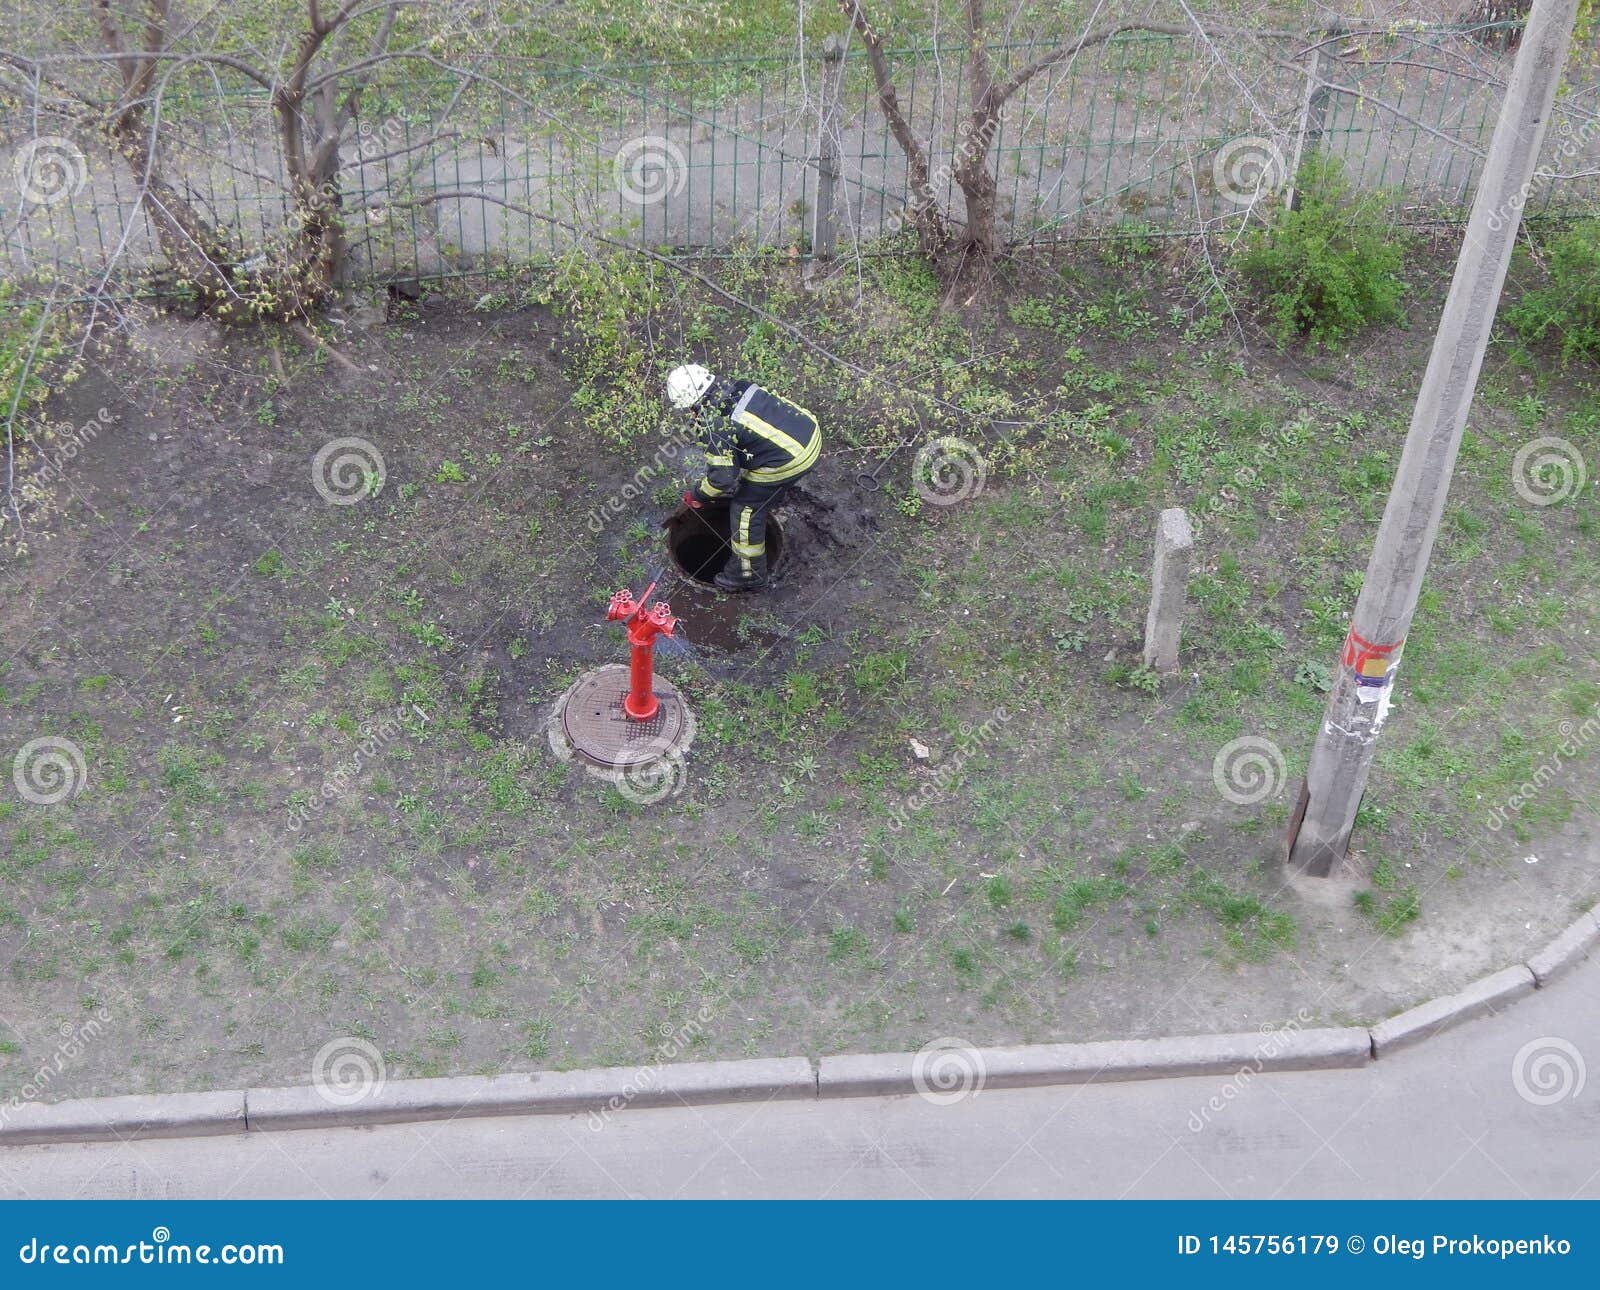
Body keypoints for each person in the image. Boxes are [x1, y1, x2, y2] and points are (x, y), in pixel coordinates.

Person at [665, 363, 821, 592]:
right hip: (809, 431)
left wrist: (699, 494)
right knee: (753, 482)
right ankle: (772, 492)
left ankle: (748, 574)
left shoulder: (714, 424)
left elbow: (723, 478)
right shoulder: (736, 386)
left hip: (792, 459)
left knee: (746, 509)